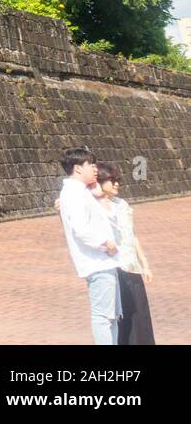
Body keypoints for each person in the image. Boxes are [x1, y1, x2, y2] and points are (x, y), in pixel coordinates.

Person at [57, 147, 122, 344]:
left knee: (112, 316)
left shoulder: (83, 192)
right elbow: (81, 229)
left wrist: (99, 196)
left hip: (104, 262)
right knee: (103, 317)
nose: (95, 169)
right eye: (90, 165)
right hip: (97, 262)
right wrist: (106, 245)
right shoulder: (73, 193)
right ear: (78, 169)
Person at [94, 162, 156, 344]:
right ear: (99, 182)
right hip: (113, 269)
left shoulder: (122, 204)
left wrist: (145, 264)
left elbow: (132, 235)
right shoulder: (94, 208)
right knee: (122, 320)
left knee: (140, 316)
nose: (116, 184)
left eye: (117, 180)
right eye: (111, 180)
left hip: (132, 267)